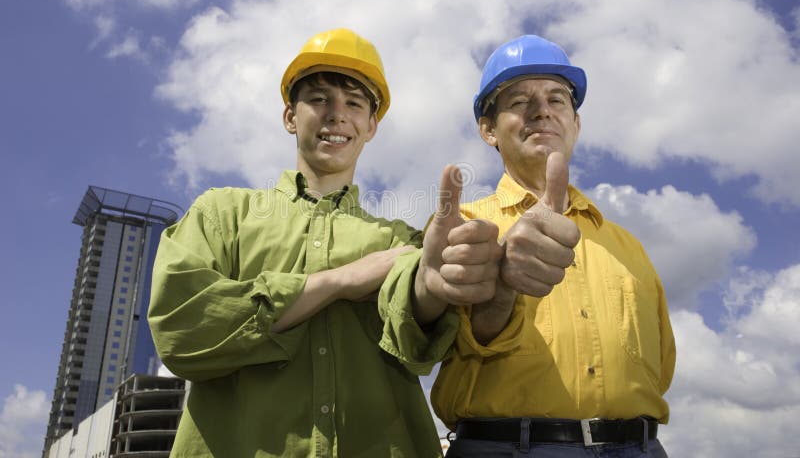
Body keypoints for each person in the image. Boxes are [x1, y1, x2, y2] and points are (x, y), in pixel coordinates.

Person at [148, 28, 502, 457]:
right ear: (290, 117)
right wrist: (336, 282)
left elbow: (414, 317)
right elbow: (182, 330)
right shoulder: (220, 214)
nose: (337, 115)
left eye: (354, 103)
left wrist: (430, 278)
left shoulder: (396, 239)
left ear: (371, 125)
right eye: (319, 99)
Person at [432, 34, 676, 457]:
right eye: (519, 101)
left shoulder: (629, 246)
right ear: (489, 129)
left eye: (557, 99)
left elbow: (662, 368)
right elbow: (442, 340)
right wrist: (501, 289)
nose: (541, 110)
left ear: (575, 124)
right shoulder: (464, 227)